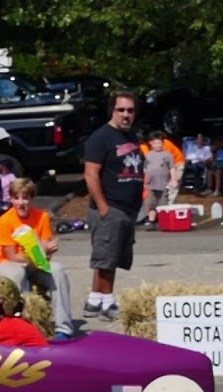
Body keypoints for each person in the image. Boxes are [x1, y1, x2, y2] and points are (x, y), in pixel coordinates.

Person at [83, 90, 144, 321]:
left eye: (130, 110)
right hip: (110, 206)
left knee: (111, 256)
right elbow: (91, 175)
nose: (126, 115)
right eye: (121, 110)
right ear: (112, 111)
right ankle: (108, 304)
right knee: (107, 258)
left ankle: (94, 300)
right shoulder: (101, 138)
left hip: (127, 208)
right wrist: (103, 208)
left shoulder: (131, 136)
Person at [0, 177, 74, 339]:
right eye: (16, 198)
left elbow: (45, 255)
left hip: (36, 263)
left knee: (57, 270)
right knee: (16, 273)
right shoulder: (4, 221)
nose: (21, 203)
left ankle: (63, 328)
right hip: (11, 263)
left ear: (32, 199)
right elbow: (12, 256)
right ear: (11, 199)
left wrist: (50, 251)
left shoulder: (42, 217)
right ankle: (24, 324)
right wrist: (40, 253)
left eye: (25, 198)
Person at [140, 132, 176, 227]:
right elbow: (145, 168)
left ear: (162, 143)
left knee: (162, 202)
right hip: (150, 184)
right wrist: (146, 178)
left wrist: (174, 180)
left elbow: (172, 168)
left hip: (163, 183)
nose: (157, 145)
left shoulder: (167, 155)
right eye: (155, 143)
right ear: (151, 143)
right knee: (150, 202)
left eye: (159, 143)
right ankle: (151, 221)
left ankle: (163, 221)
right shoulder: (149, 155)